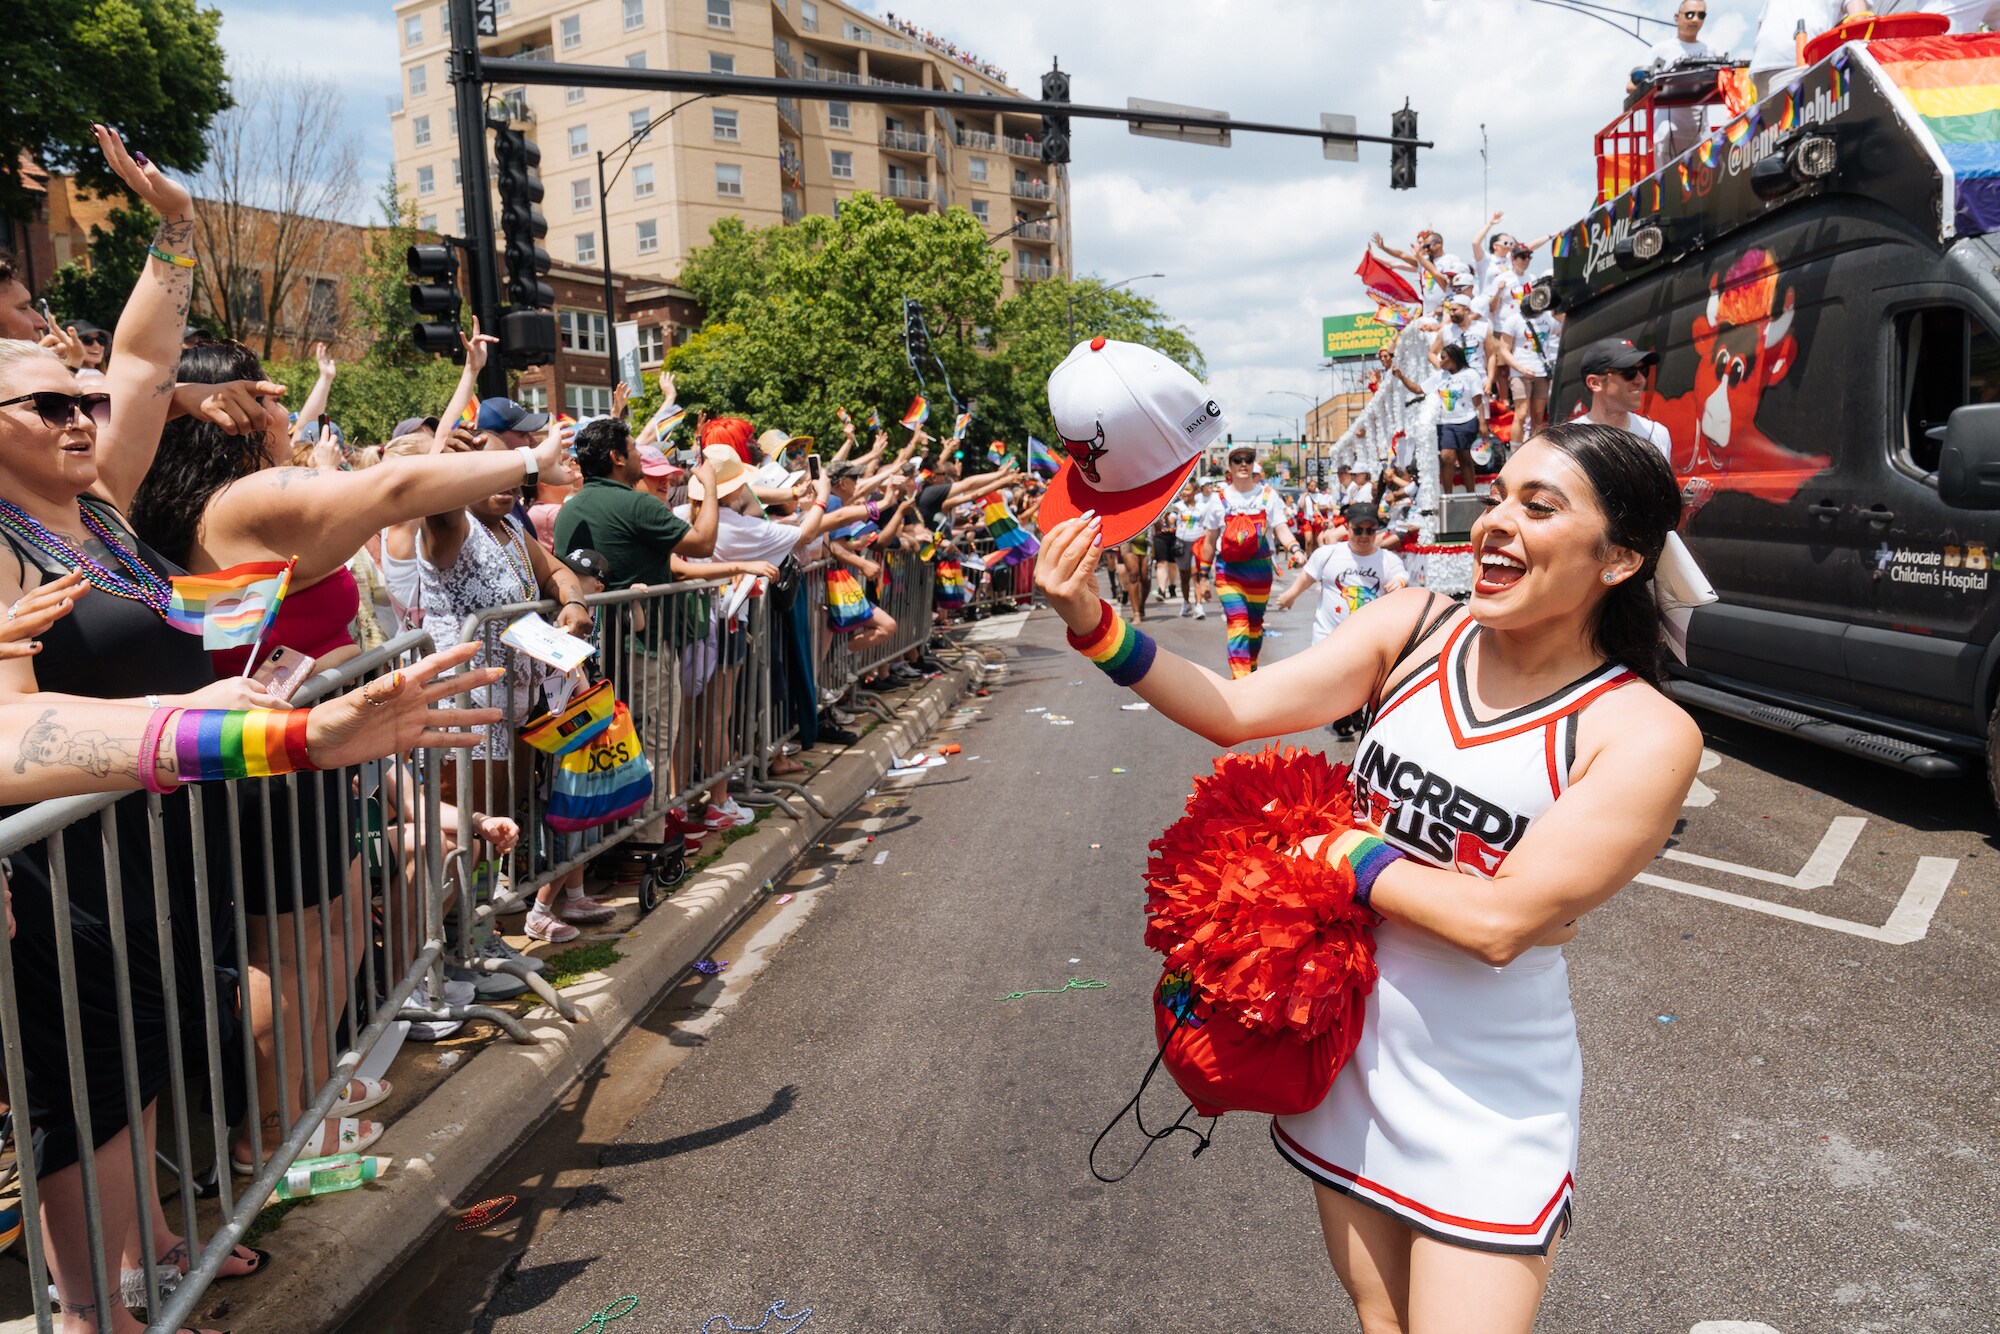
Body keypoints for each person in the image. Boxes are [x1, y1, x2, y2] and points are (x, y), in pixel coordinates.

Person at [1034, 421, 1702, 1334]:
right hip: (1346, 1054)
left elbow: (1500, 925)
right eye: (1498, 495)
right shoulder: (1414, 628)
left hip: (1488, 1092)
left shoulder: (1644, 731)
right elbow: (1236, 711)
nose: (1496, 522)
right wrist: (1095, 625)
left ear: (1620, 559)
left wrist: (1344, 852)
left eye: (1539, 508)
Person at [554, 416, 720, 852]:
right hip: (641, 646)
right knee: (652, 740)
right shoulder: (637, 503)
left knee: (610, 744)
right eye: (632, 446)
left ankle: (610, 842)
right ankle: (646, 841)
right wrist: (709, 485)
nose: (639, 458)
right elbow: (702, 543)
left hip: (590, 651)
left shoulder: (570, 506)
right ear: (616, 457)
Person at [1211, 445, 1305, 678]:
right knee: (1238, 625)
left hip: (1260, 571)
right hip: (1228, 571)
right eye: (1237, 460)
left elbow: (1281, 528)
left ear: (1253, 465)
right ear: (1229, 466)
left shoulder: (1268, 496)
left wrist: (1295, 549)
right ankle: (1241, 683)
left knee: (1254, 627)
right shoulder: (1218, 499)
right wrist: (1202, 575)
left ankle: (1250, 670)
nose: (1243, 463)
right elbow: (1209, 539)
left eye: (1248, 459)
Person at [1632, 2, 1714, 163]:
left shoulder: (1710, 51)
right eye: (1689, 14)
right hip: (1666, 135)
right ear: (1677, 17)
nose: (1695, 19)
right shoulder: (1662, 50)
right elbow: (1632, 85)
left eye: (1701, 15)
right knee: (1666, 187)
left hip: (1700, 134)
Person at [1576, 338, 1673, 463]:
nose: (1641, 380)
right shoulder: (1567, 440)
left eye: (1644, 370)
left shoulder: (1657, 434)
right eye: (1629, 372)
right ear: (1594, 383)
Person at [1429, 343, 1484, 495]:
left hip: (1467, 420)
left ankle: (1470, 496)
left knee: (1465, 458)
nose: (1440, 361)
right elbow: (1417, 389)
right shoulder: (1439, 376)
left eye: (1443, 358)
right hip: (1445, 423)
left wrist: (1483, 423)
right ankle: (1447, 497)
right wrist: (1401, 376)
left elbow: (1478, 400)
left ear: (1453, 358)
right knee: (1447, 457)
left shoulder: (1471, 374)